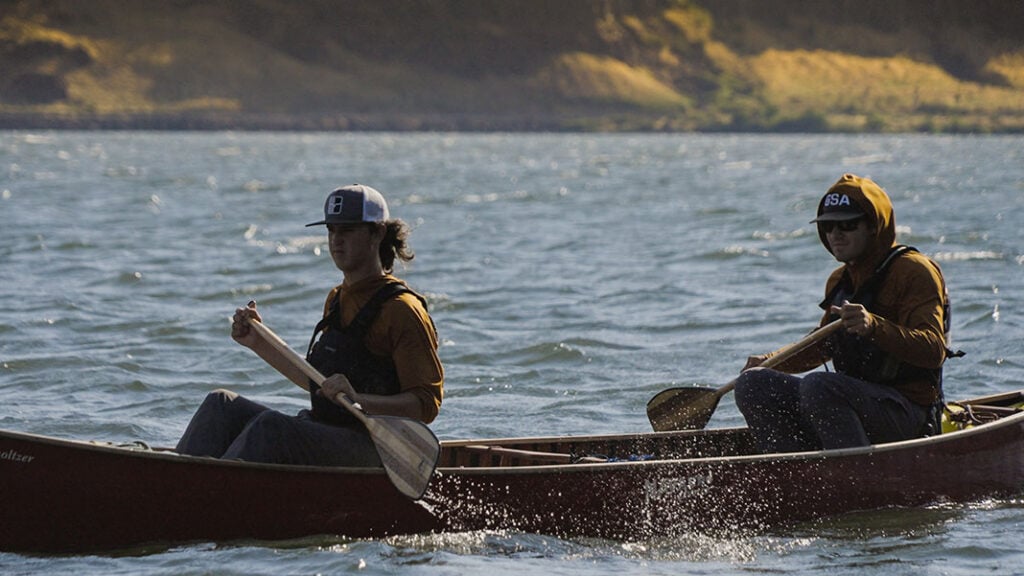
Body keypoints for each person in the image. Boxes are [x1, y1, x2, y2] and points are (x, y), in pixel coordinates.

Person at [176, 184, 444, 466]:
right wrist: (256, 342)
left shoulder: (403, 310)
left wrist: (359, 399)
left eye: (348, 230)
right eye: (331, 231)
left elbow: (425, 405)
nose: (336, 241)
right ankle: (176, 480)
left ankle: (204, 491)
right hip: (327, 432)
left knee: (271, 428)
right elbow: (317, 382)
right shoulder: (337, 299)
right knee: (221, 404)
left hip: (379, 450)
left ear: (377, 233)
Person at [733, 173, 955, 453]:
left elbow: (934, 350)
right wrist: (769, 361)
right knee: (754, 383)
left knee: (820, 386)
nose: (835, 234)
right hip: (846, 406)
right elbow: (822, 346)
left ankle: (854, 480)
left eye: (847, 224)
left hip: (908, 413)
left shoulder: (914, 272)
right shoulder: (840, 280)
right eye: (827, 226)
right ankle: (788, 474)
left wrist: (873, 326)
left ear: (873, 226)